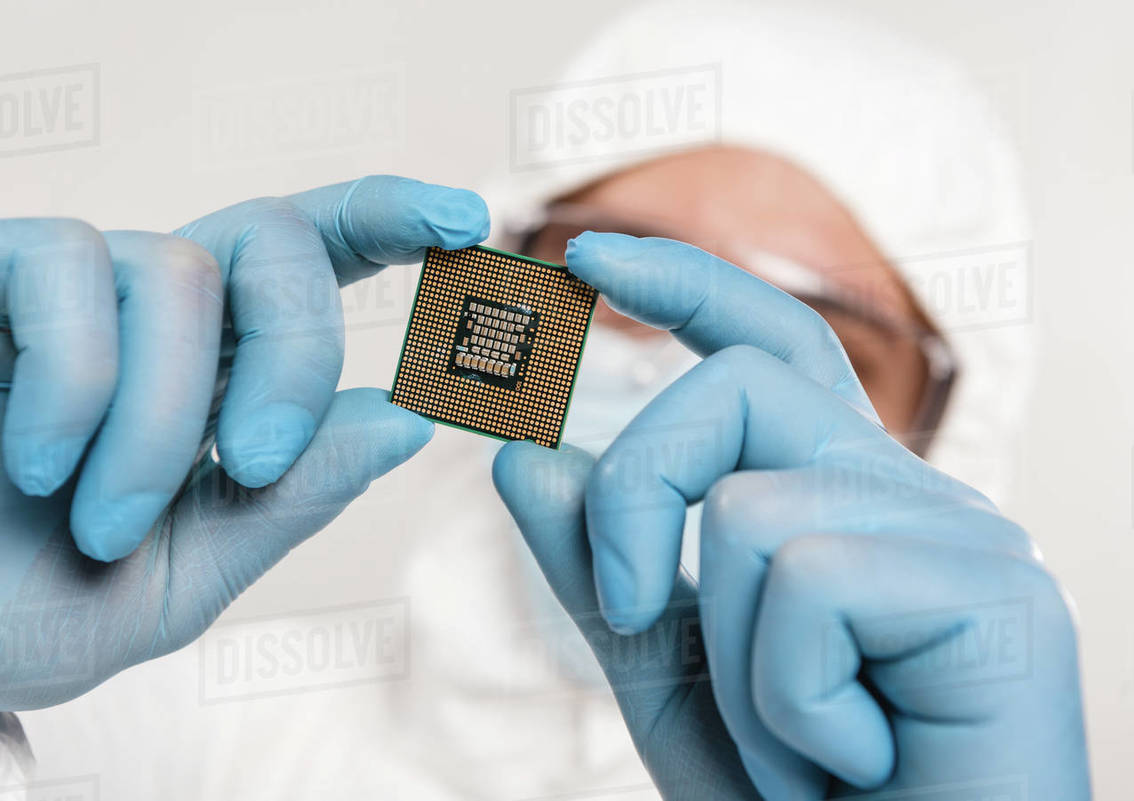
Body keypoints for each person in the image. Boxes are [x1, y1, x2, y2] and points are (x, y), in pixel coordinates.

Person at [0, 1, 1078, 799]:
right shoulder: (154, 742)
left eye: (822, 339)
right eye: (612, 284)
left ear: (948, 447)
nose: (684, 377)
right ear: (501, 303)